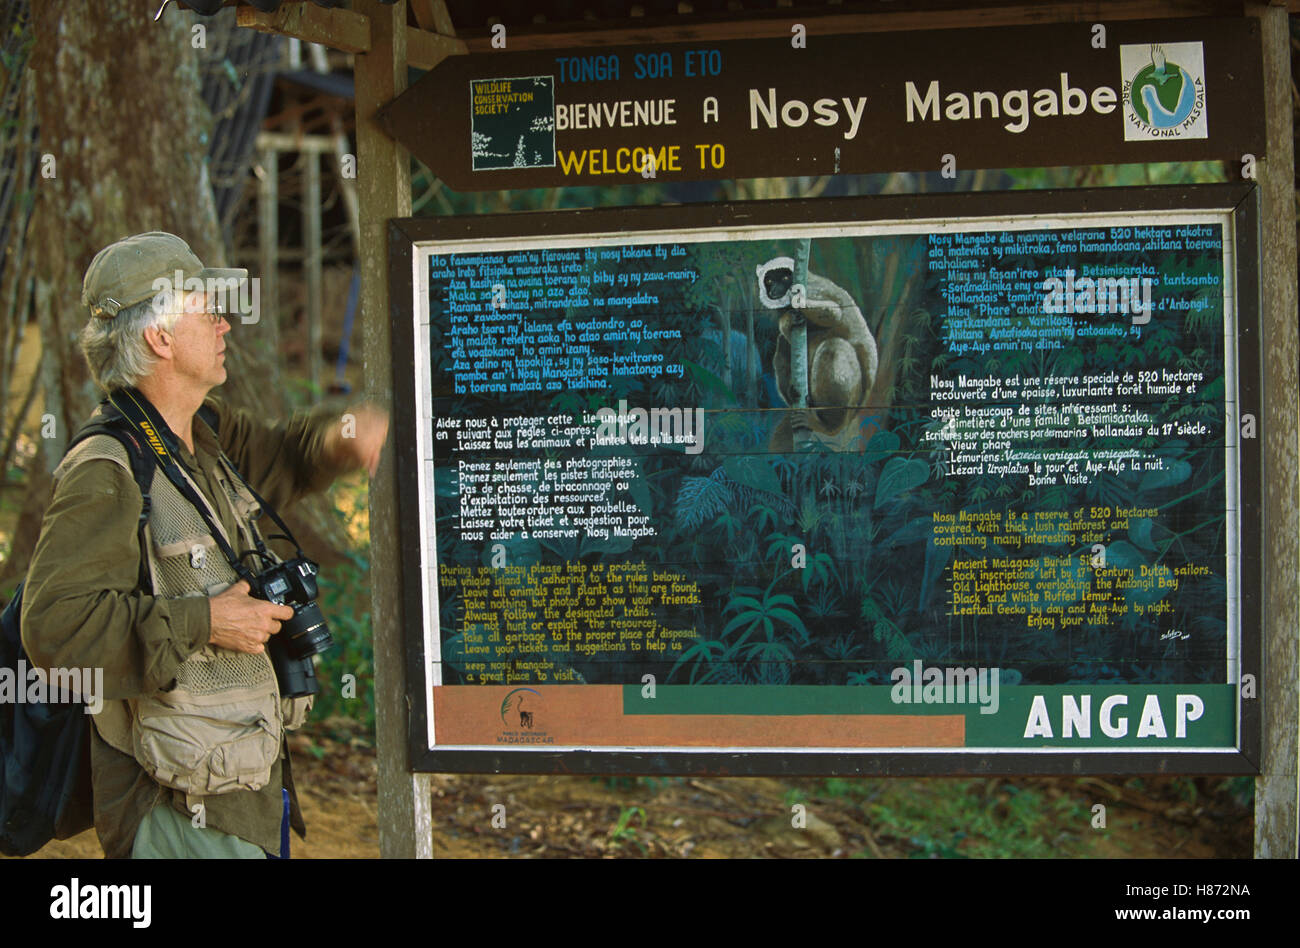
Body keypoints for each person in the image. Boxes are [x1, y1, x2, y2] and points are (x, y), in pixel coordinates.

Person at [20, 232, 388, 858]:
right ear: (160, 339)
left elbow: (288, 455)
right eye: (204, 309)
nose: (224, 324)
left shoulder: (206, 437)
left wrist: (343, 439)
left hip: (240, 792)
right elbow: (54, 628)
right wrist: (209, 620)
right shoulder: (108, 470)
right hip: (176, 811)